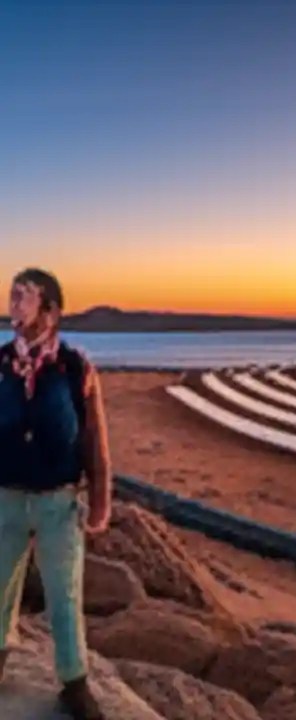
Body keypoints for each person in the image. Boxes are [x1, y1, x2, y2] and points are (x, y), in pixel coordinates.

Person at [0, 268, 111, 720]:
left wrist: (101, 499)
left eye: (23, 297)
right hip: (3, 499)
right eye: (11, 296)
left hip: (58, 502)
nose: (12, 305)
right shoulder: (0, 363)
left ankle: (73, 681)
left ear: (51, 311)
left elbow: (93, 438)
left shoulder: (76, 367)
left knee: (63, 593)